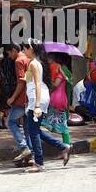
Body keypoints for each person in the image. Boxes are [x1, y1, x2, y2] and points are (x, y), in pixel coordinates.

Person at [21, 40, 72, 172]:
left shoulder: (34, 63)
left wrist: (37, 105)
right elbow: (30, 81)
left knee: (33, 132)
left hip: (38, 99)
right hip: (38, 98)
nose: (23, 51)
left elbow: (37, 84)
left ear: (31, 49)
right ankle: (63, 146)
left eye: (25, 49)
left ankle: (39, 163)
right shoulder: (37, 62)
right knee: (34, 129)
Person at [4, 44, 30, 163]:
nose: (9, 56)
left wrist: (13, 98)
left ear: (14, 50)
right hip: (30, 97)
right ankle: (31, 154)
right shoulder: (28, 59)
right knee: (26, 127)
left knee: (10, 122)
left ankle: (24, 146)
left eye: (9, 53)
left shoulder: (19, 61)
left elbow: (21, 82)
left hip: (21, 99)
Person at [42, 52, 72, 146]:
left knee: (61, 124)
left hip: (57, 100)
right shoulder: (60, 70)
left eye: (48, 59)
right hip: (58, 100)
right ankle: (66, 145)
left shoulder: (58, 72)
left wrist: (48, 80)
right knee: (60, 123)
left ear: (52, 59)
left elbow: (55, 85)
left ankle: (66, 145)